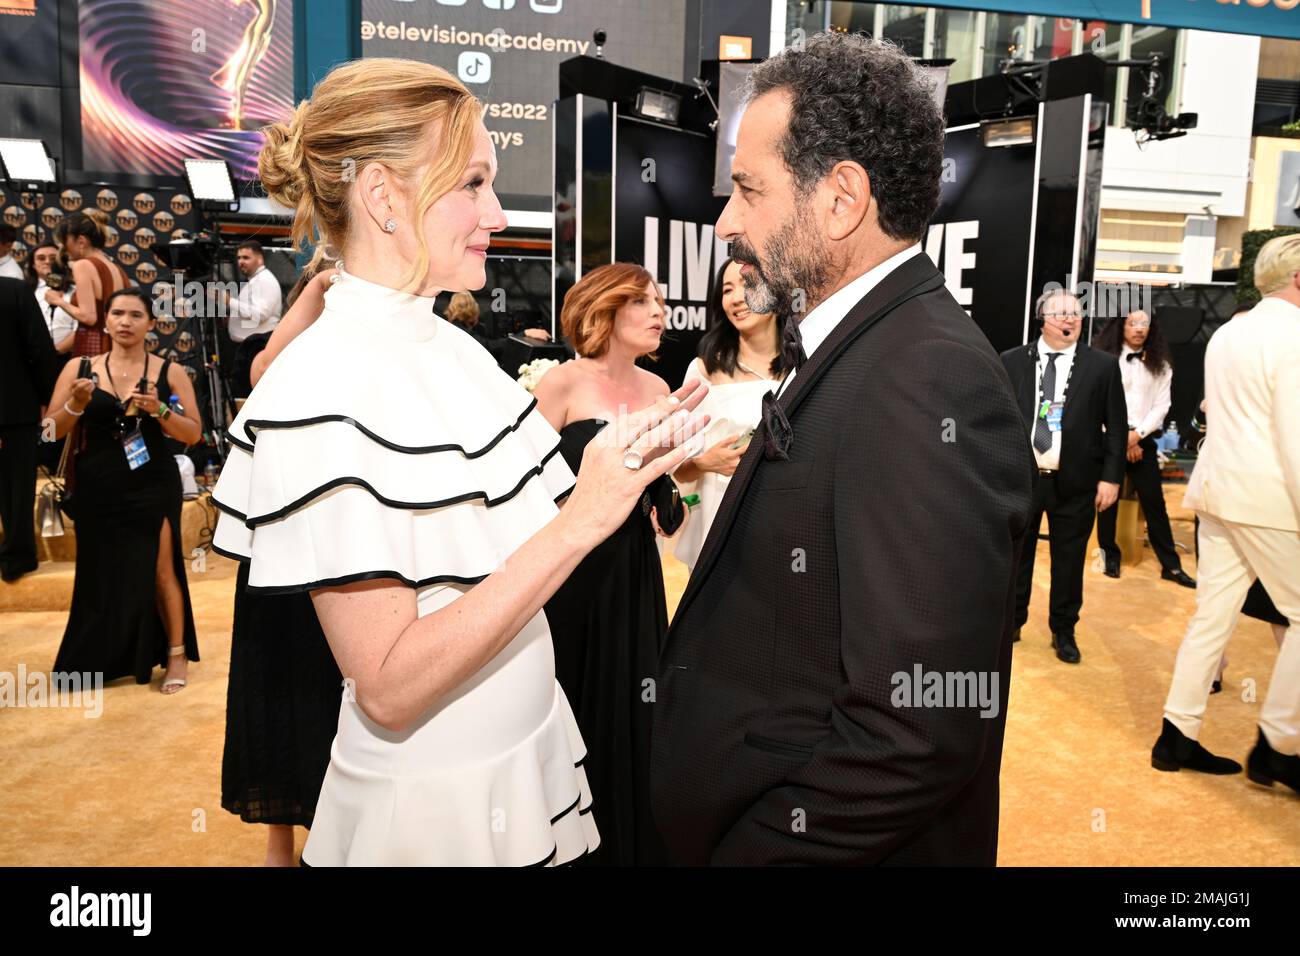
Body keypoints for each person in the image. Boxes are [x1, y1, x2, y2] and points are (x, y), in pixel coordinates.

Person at [209, 58, 707, 866]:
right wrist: (581, 523)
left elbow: (499, 556)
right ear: (382, 196)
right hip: (432, 814)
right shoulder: (320, 386)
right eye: (472, 183)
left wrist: (618, 468)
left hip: (520, 763)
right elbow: (392, 684)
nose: (498, 212)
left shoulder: (455, 353)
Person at [649, 33, 1034, 866]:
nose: (725, 224)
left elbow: (919, 727)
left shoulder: (923, 376)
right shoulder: (860, 344)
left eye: (749, 191)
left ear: (841, 198)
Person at [531, 262, 686, 866]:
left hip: (633, 572)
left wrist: (674, 490)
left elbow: (666, 499)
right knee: (568, 691)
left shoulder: (658, 391)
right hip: (567, 570)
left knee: (636, 701)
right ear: (607, 309)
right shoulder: (562, 384)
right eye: (645, 301)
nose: (659, 313)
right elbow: (524, 489)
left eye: (662, 302)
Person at [1151, 234, 1300, 792]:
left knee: (1211, 617)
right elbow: (1294, 433)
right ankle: (1279, 747)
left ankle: (1177, 735)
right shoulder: (1295, 337)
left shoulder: (1232, 330)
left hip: (1216, 492)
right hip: (1268, 500)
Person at [221, 264, 346, 866]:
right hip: (279, 556)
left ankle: (331, 838)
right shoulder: (283, 366)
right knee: (278, 691)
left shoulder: (373, 363)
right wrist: (321, 287)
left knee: (338, 695)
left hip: (347, 552)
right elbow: (264, 368)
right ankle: (280, 840)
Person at [46, 288, 203, 691]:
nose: (125, 322)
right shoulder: (80, 367)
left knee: (161, 569)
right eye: (117, 313)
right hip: (99, 484)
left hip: (152, 482)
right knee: (99, 571)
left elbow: (194, 433)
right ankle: (102, 656)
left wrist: (160, 410)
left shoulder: (170, 371)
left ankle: (176, 654)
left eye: (136, 314)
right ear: (105, 321)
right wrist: (75, 406)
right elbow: (49, 431)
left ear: (151, 324)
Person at [1000, 289, 1127, 664]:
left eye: (1075, 314)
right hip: (1023, 480)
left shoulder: (1101, 366)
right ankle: (1013, 621)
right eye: (1061, 314)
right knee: (1016, 556)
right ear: (1043, 318)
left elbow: (1116, 427)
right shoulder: (1011, 361)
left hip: (1077, 481)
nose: (1070, 320)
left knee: (1069, 561)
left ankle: (1064, 629)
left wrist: (1111, 477)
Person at [672, 257, 789, 570]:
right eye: (727, 289)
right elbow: (678, 468)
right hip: (718, 517)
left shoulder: (803, 368)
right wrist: (705, 462)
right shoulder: (703, 371)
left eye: (748, 284)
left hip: (785, 520)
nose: (737, 297)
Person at [1093, 309, 1195, 587]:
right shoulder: (1104, 360)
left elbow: (1162, 406)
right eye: (1132, 324)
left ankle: (1170, 565)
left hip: (1142, 439)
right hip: (1107, 437)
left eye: (1144, 324)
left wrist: (1135, 436)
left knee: (1155, 504)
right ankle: (1108, 556)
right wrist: (1120, 437)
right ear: (1120, 327)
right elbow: (1097, 401)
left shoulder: (1161, 364)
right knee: (1106, 502)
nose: (1139, 329)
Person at [0, 276, 59, 583]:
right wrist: (47, 397)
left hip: (14, 407)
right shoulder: (15, 290)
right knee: (15, 486)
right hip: (12, 407)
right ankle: (17, 558)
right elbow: (38, 347)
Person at [48, 210, 130, 359]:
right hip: (117, 349)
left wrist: (57, 301)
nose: (64, 249)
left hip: (93, 347)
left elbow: (89, 317)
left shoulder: (83, 265)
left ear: (80, 241)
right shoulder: (114, 267)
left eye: (65, 242)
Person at [26, 243, 78, 354]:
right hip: (33, 357)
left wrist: (56, 351)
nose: (47, 262)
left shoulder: (75, 290)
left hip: (67, 356)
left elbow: (80, 328)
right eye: (41, 258)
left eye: (53, 258)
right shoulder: (25, 291)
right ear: (33, 265)